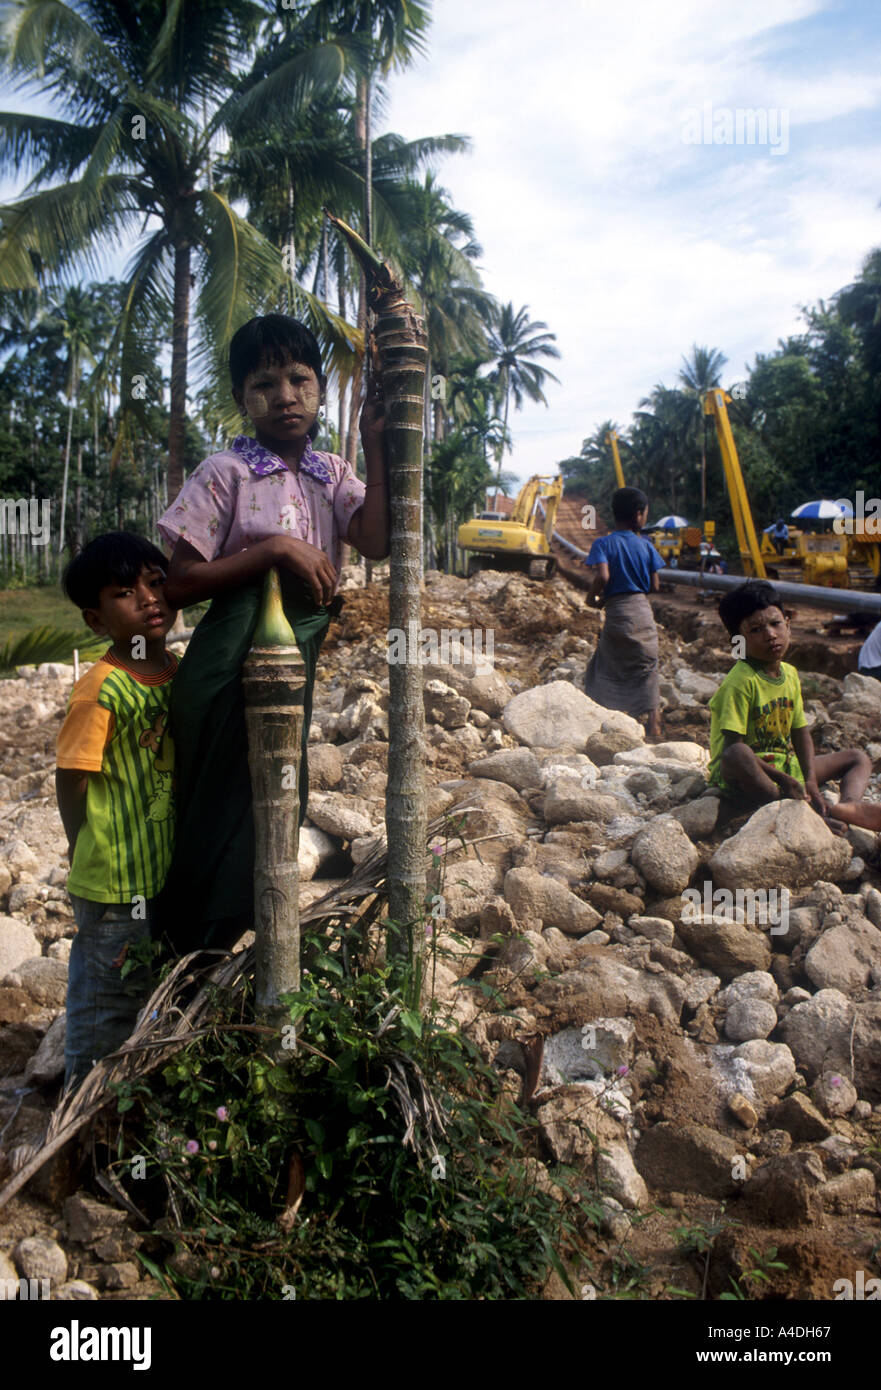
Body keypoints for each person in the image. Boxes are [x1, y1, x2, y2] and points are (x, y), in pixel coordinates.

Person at [155, 314, 387, 956]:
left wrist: (374, 441)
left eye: (299, 379)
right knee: (214, 811)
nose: (285, 395)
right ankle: (186, 951)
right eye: (264, 384)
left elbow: (377, 539)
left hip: (287, 675)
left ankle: (234, 944)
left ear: (316, 388)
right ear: (242, 399)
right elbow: (179, 583)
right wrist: (274, 549)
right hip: (223, 677)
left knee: (274, 794)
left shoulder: (332, 474)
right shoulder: (226, 472)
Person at [55, 533, 178, 1088]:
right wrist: (85, 845)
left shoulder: (175, 673)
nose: (150, 598)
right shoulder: (101, 688)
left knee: (148, 992)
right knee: (105, 1005)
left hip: (158, 875)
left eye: (156, 582)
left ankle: (131, 1101)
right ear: (95, 619)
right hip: (112, 881)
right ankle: (80, 1112)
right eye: (126, 592)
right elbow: (73, 778)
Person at [708, 580, 872, 819]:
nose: (770, 635)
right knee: (738, 754)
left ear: (788, 625)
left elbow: (800, 732)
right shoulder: (741, 681)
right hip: (746, 773)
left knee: (858, 758)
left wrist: (810, 780)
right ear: (738, 641)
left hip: (783, 764)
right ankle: (790, 808)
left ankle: (847, 805)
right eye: (756, 630)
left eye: (775, 624)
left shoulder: (790, 674)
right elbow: (734, 749)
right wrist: (785, 781)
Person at [583, 486, 665, 738]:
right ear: (639, 515)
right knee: (648, 668)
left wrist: (592, 597)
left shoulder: (603, 543)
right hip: (642, 611)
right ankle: (654, 725)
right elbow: (655, 586)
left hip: (617, 613)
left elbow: (603, 576)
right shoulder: (647, 546)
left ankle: (606, 719)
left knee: (605, 666)